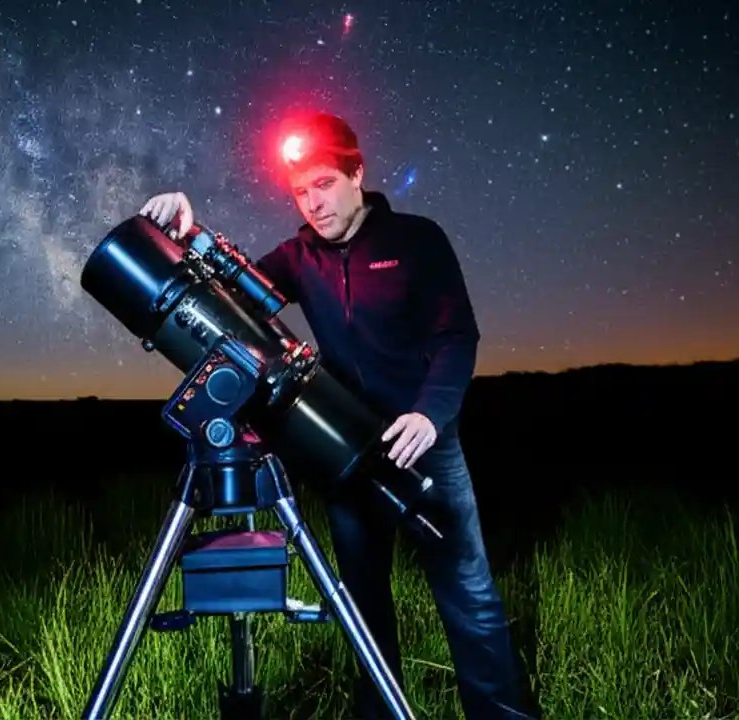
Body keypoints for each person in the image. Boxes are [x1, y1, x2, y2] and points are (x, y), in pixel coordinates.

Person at [138, 111, 536, 720]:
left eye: (324, 184)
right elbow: (232, 288)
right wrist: (189, 231)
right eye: (301, 192)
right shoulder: (300, 256)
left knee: (469, 595)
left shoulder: (417, 240)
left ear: (357, 173)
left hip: (424, 442)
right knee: (363, 604)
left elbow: (457, 337)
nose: (313, 204)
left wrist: (430, 416)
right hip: (344, 444)